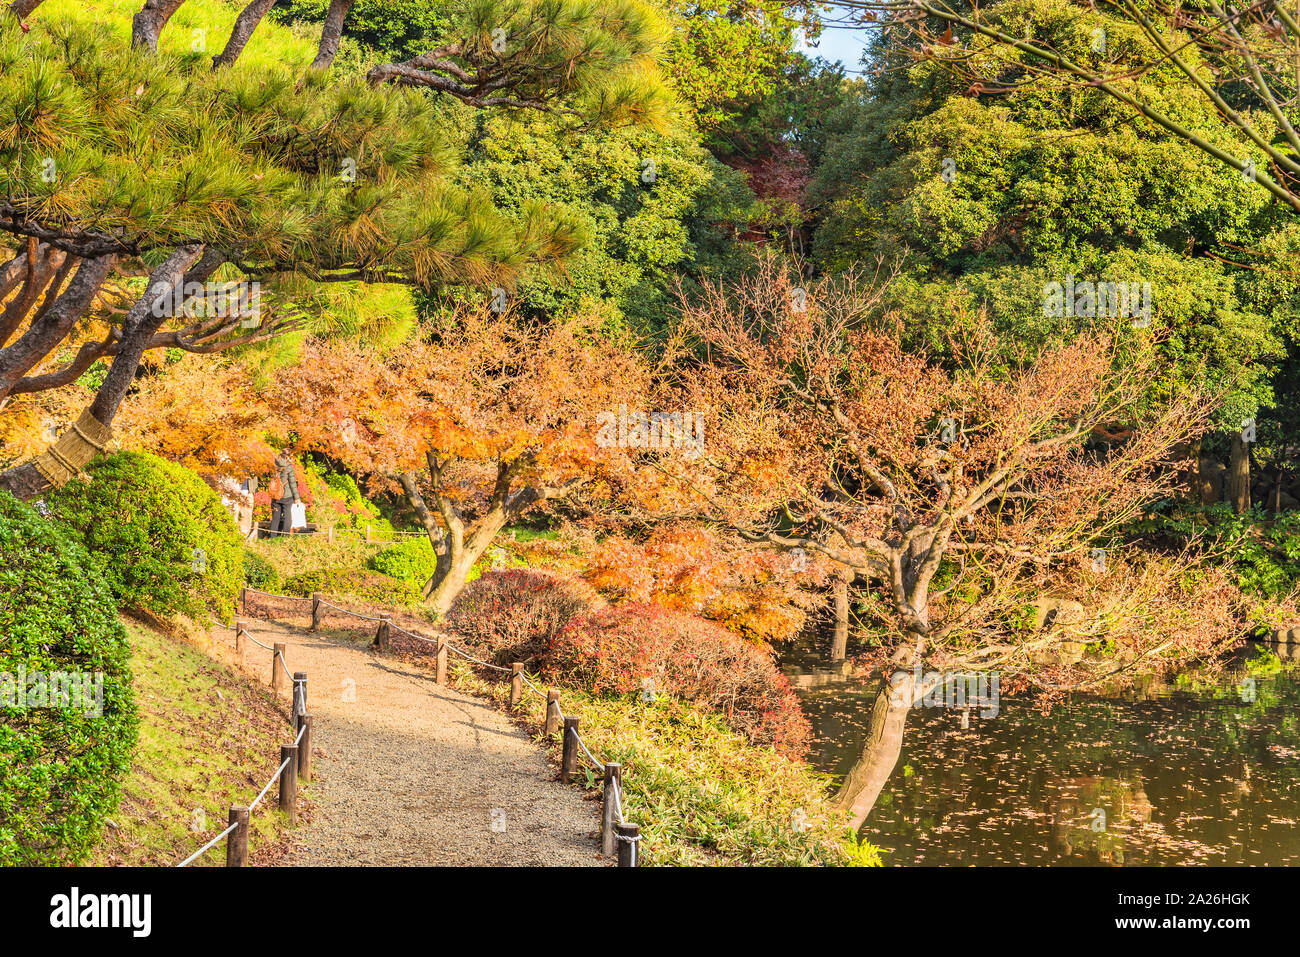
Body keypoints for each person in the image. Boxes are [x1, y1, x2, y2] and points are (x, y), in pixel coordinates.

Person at [269, 453, 300, 536]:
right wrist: (297, 497)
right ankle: (286, 537)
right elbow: (292, 483)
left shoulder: (274, 465)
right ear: (286, 457)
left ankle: (273, 538)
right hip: (287, 496)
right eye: (290, 457)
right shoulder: (289, 467)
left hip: (275, 495)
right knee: (287, 517)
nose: (291, 459)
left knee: (275, 518)